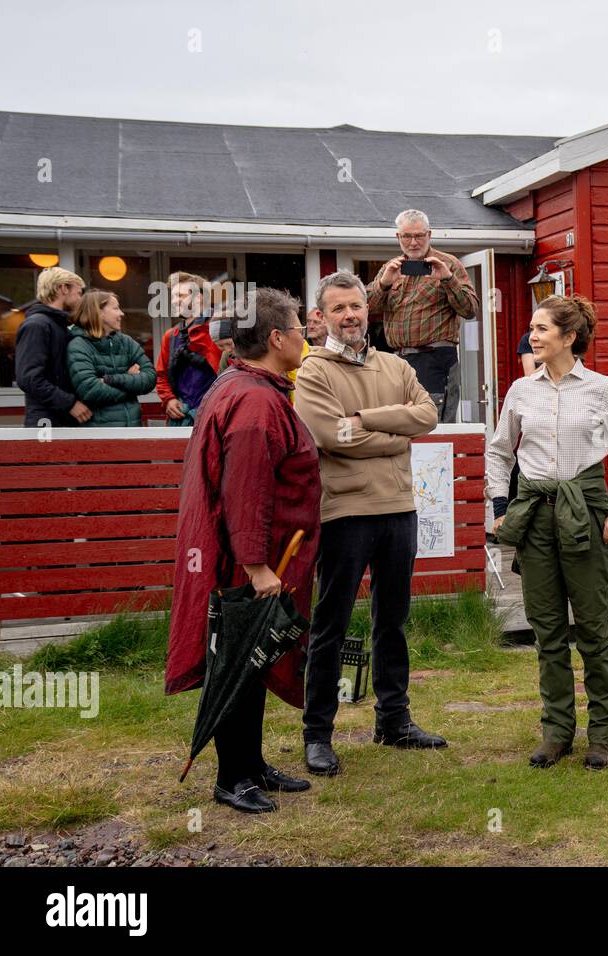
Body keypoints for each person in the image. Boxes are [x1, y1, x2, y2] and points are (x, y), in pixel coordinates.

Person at [166, 287, 320, 814]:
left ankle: (251, 765)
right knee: (236, 661)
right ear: (275, 338)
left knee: (251, 659)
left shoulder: (246, 384)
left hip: (254, 557)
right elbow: (246, 493)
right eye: (298, 327)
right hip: (244, 562)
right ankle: (232, 778)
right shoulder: (254, 402)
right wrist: (256, 568)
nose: (305, 335)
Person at [293, 270, 446, 777]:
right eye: (338, 309)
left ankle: (394, 721)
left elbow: (426, 417)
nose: (349, 315)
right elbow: (330, 437)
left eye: (355, 306)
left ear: (367, 308)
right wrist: (393, 429)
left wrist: (364, 419)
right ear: (322, 317)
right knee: (330, 626)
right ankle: (318, 734)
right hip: (344, 513)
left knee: (392, 622)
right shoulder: (313, 372)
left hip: (399, 509)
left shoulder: (396, 364)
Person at [485, 294, 608, 770]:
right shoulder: (521, 390)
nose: (532, 337)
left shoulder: (602, 389)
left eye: (540, 329)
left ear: (568, 337)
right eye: (532, 330)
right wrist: (499, 506)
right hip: (535, 517)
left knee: (594, 631)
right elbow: (499, 452)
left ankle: (603, 733)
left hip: (588, 515)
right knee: (547, 632)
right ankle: (556, 731)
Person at [366, 209, 479, 423]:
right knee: (400, 425)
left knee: (433, 429)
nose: (413, 242)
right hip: (397, 360)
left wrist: (447, 279)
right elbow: (365, 308)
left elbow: (470, 309)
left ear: (429, 234)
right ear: (398, 237)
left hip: (435, 358)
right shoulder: (391, 268)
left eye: (419, 235)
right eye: (407, 236)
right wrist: (383, 284)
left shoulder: (449, 264)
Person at [65, 291, 156, 427]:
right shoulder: (78, 345)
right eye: (116, 308)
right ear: (99, 312)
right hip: (100, 434)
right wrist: (129, 380)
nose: (121, 313)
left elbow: (150, 378)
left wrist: (111, 380)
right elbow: (91, 391)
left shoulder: (126, 342)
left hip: (132, 430)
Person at [14, 266, 90, 427]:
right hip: (46, 422)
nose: (80, 299)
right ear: (62, 288)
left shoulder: (60, 326)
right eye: (78, 293)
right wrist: (70, 403)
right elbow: (29, 378)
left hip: (61, 420)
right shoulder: (37, 325)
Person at [155, 272, 221, 425]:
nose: (174, 301)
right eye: (173, 296)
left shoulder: (218, 329)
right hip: (181, 417)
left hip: (214, 415)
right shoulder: (170, 335)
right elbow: (161, 375)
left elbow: (227, 371)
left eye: (180, 296)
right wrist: (169, 399)